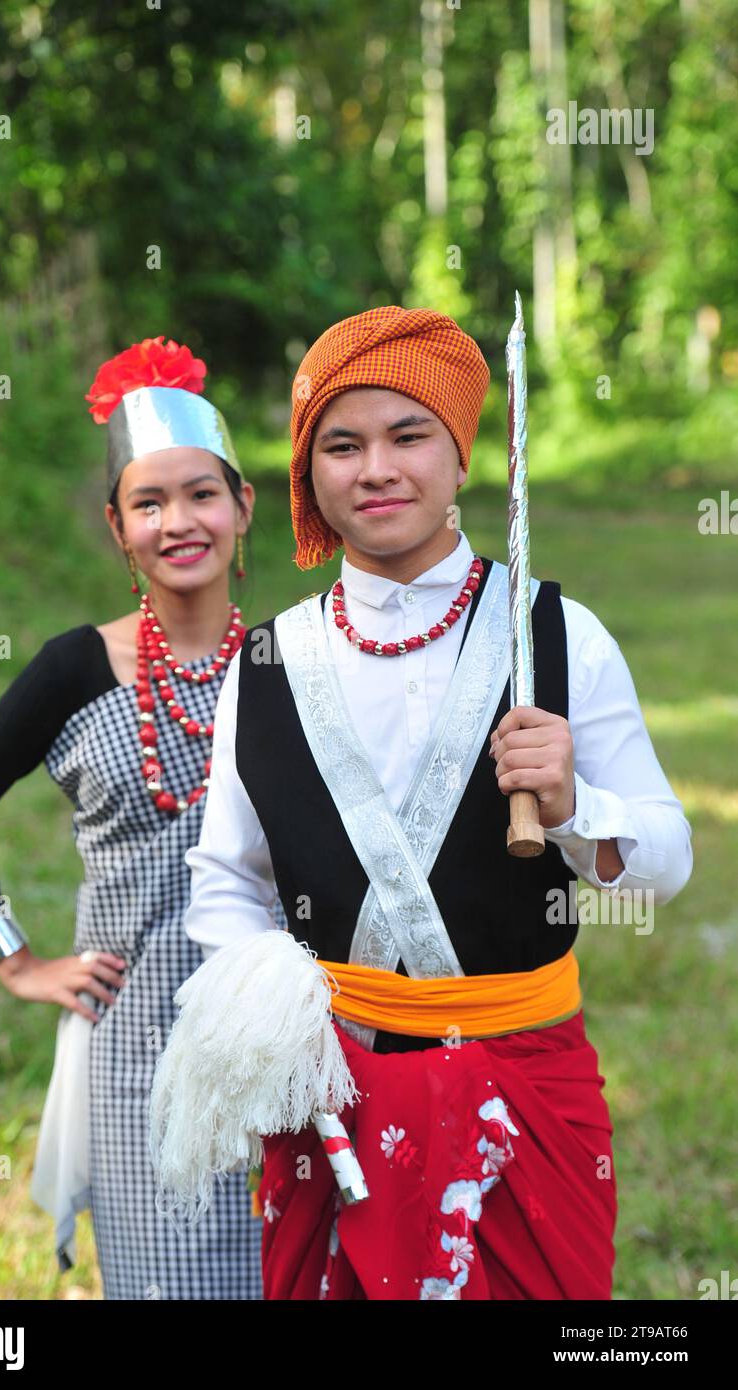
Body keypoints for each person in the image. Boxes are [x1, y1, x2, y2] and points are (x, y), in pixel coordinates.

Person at [149, 306, 693, 1301]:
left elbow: (665, 856)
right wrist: (276, 1029)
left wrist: (572, 803)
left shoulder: (559, 634)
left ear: (461, 454)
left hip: (525, 1082)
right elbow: (227, 882)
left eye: (409, 436)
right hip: (331, 1096)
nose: (375, 469)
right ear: (309, 473)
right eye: (342, 444)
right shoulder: (263, 664)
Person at [0, 333, 285, 1299]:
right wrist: (19, 962)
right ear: (118, 529)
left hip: (277, 1033)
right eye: (147, 503)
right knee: (164, 1282)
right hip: (134, 1044)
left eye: (201, 494)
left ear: (244, 506)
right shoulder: (74, 669)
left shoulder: (295, 661)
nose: (178, 522)